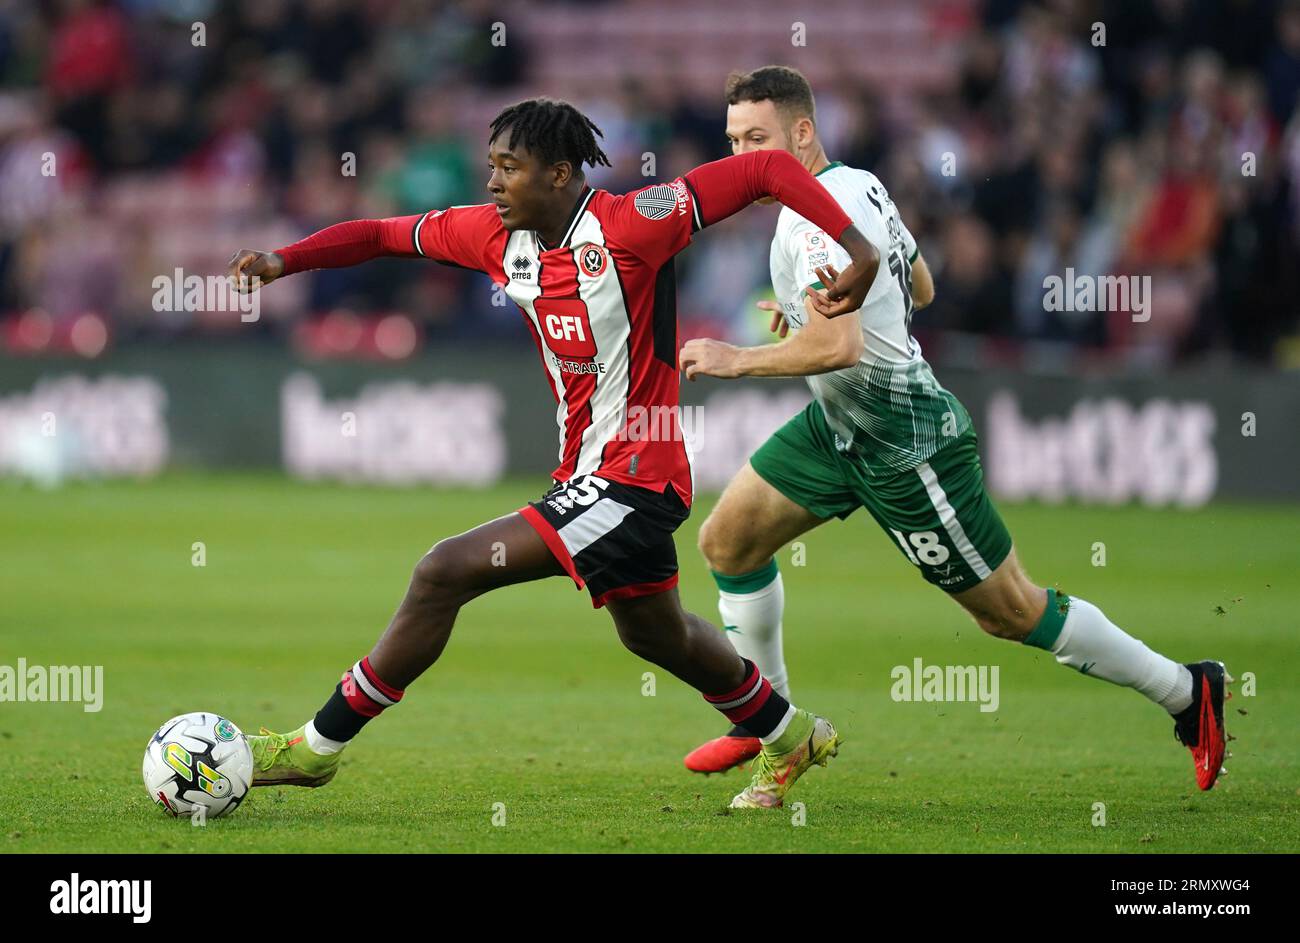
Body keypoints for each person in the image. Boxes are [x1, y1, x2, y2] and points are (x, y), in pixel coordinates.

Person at [225, 97, 884, 809]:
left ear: (561, 173)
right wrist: (284, 261)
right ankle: (790, 735)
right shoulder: (490, 236)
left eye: (510, 168)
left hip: (635, 480)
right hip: (589, 477)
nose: (493, 183)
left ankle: (315, 747)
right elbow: (383, 234)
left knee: (443, 570)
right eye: (491, 167)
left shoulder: (636, 223)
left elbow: (764, 167)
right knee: (655, 634)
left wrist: (861, 246)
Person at [677, 67, 1229, 790]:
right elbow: (921, 284)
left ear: (803, 132)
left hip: (908, 443)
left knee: (1011, 611)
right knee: (727, 540)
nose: (741, 157)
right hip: (840, 424)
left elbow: (839, 347)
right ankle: (775, 729)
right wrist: (812, 308)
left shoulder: (819, 214)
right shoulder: (857, 187)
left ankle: (1189, 692)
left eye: (757, 139)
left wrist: (736, 357)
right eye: (733, 142)